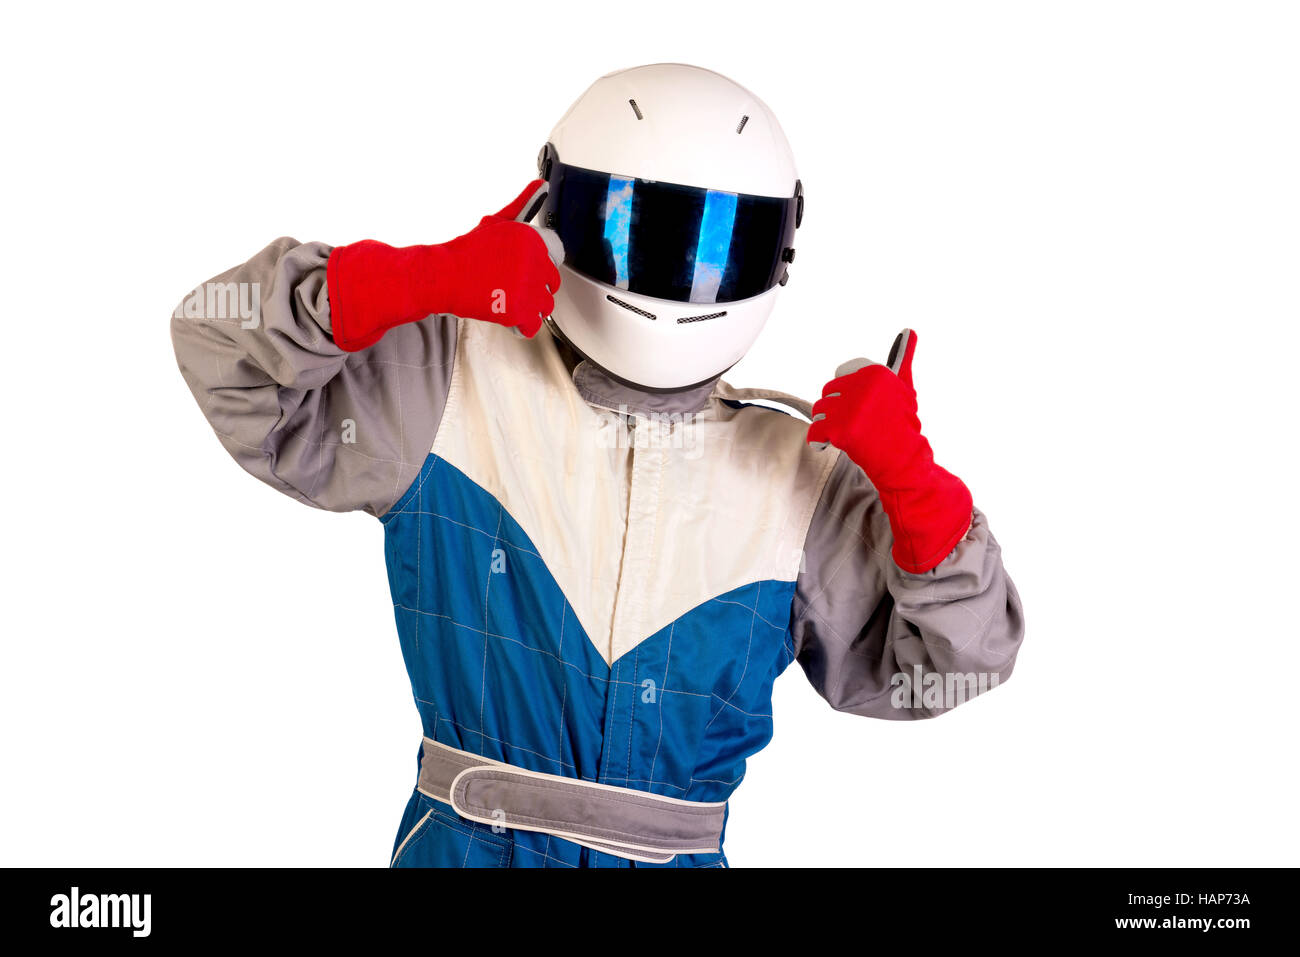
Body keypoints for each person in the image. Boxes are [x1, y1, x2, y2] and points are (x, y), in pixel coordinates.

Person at [172, 63, 1024, 868]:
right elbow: (217, 338)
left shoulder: (802, 475)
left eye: (722, 239)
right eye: (639, 227)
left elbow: (952, 670)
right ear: (557, 212)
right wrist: (412, 280)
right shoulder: (451, 382)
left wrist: (917, 492)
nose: (683, 272)